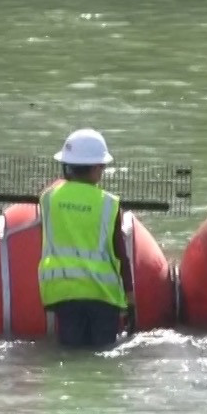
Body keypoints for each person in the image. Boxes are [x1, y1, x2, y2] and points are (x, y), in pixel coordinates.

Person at [37, 128, 135, 351]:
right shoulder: (109, 204)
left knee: (70, 355)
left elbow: (55, 188)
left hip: (63, 292)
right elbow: (121, 255)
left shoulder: (48, 199)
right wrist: (131, 300)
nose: (102, 171)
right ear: (94, 168)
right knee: (102, 356)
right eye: (101, 166)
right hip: (102, 295)